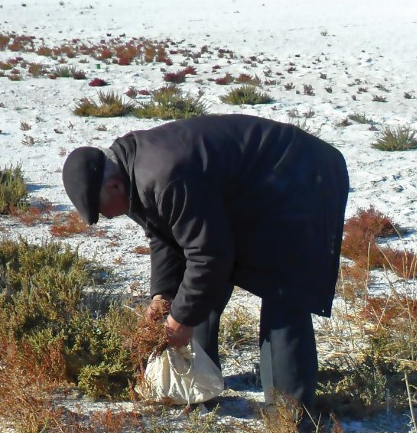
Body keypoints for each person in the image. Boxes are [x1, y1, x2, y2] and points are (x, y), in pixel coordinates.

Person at [61, 114, 349, 416]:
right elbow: (166, 237)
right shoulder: (130, 172)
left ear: (115, 186)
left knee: (282, 292)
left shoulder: (163, 176)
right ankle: (200, 389)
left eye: (104, 210)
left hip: (301, 175)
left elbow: (209, 255)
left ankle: (289, 420)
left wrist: (181, 320)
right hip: (254, 186)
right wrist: (164, 295)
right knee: (195, 294)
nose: (108, 217)